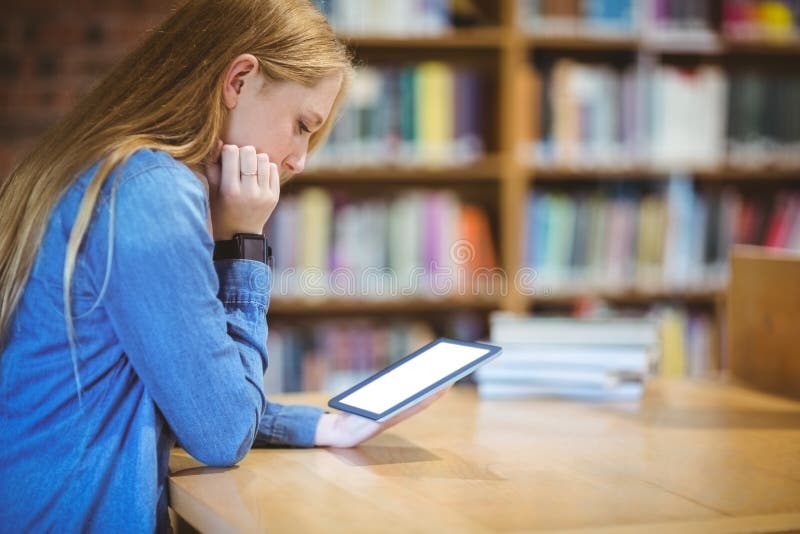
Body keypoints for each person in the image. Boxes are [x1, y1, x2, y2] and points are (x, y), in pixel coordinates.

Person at [0, 0, 449, 531]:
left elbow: (186, 386)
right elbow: (222, 434)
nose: (300, 159)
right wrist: (246, 244)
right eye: (302, 125)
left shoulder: (113, 168)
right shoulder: (154, 193)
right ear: (238, 80)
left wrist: (316, 427)